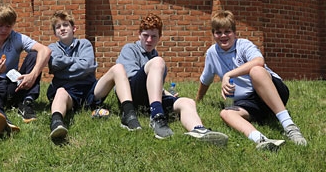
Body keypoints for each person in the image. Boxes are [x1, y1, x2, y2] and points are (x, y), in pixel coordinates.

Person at [103, 13, 227, 143]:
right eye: (145, 35)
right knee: (158, 62)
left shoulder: (153, 54)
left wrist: (167, 94)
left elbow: (152, 85)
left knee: (187, 102)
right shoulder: (130, 49)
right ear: (139, 34)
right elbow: (130, 79)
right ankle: (157, 117)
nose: (149, 40)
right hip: (132, 96)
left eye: (154, 36)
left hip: (148, 102)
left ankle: (199, 131)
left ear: (159, 37)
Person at [196, 10, 307, 151]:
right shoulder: (212, 53)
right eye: (218, 32)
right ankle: (261, 140)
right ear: (213, 35)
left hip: (273, 90)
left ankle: (290, 127)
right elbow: (205, 79)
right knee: (226, 112)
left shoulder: (243, 45)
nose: (223, 35)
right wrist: (198, 100)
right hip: (250, 102)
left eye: (227, 31)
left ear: (235, 33)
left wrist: (228, 75)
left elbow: (259, 61)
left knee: (256, 70)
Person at [0, 3, 51, 137]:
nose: (4, 30)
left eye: (8, 26)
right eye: (0, 26)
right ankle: (2, 120)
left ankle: (26, 103)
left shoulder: (16, 37)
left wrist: (33, 74)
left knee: (35, 56)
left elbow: (45, 50)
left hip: (12, 82)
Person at [45, 10, 121, 141]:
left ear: (73, 28)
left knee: (116, 70)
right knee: (61, 92)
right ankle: (57, 123)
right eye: (58, 27)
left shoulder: (84, 44)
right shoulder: (52, 47)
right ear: (55, 33)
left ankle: (128, 113)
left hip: (89, 90)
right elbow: (55, 63)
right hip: (67, 92)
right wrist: (77, 62)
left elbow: (86, 65)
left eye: (65, 25)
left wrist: (63, 69)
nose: (62, 29)